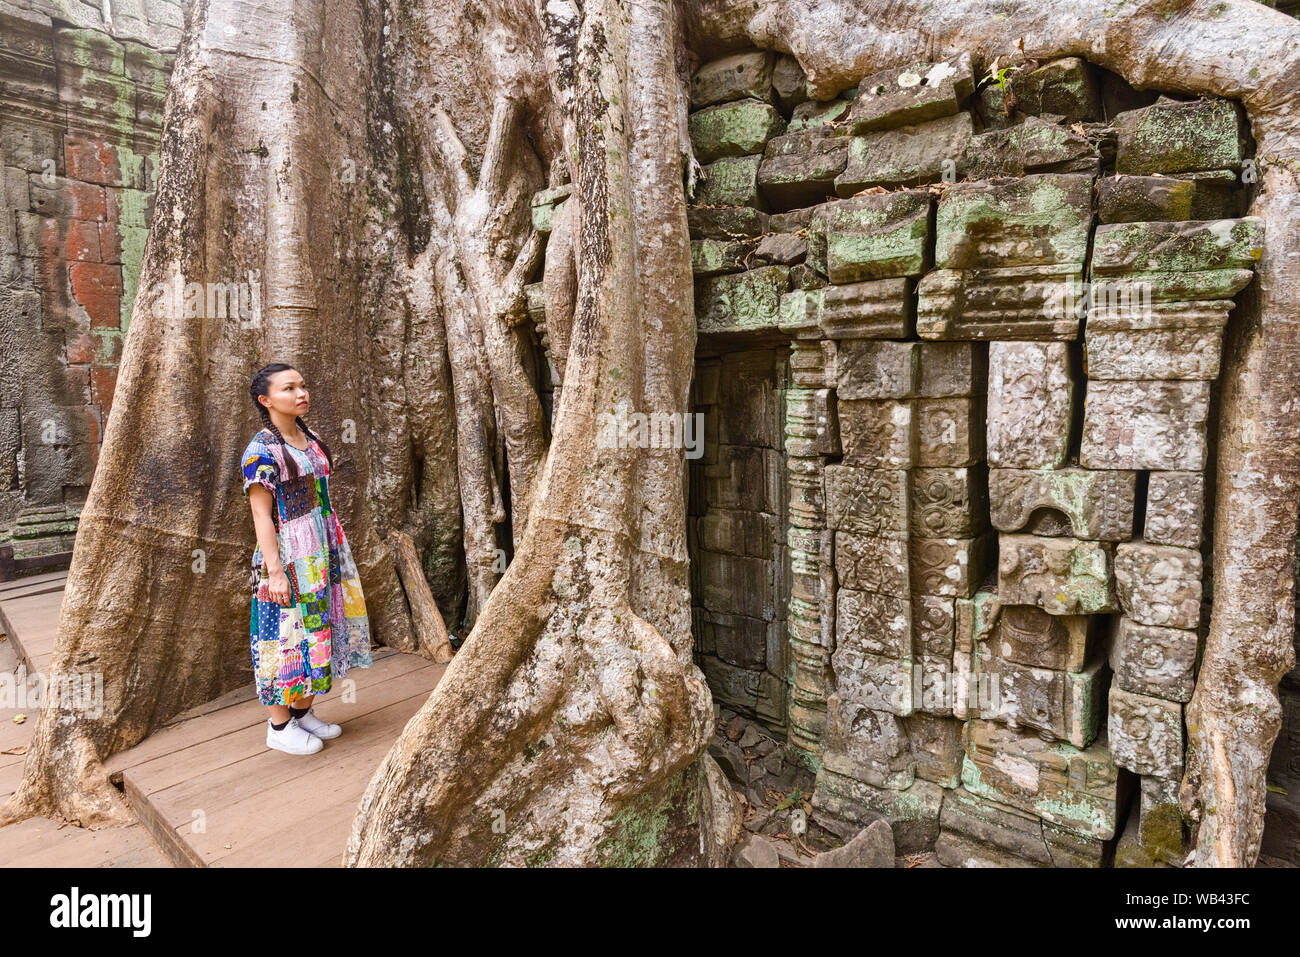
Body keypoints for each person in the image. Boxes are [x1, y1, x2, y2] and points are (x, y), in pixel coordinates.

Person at [240, 363, 373, 755]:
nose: (301, 393)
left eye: (302, 385)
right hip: (288, 554)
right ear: (266, 400)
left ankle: (302, 713)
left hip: (322, 546)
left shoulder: (308, 436)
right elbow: (261, 515)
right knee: (284, 637)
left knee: (318, 628)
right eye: (289, 388)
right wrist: (275, 572)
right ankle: (278, 727)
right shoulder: (261, 451)